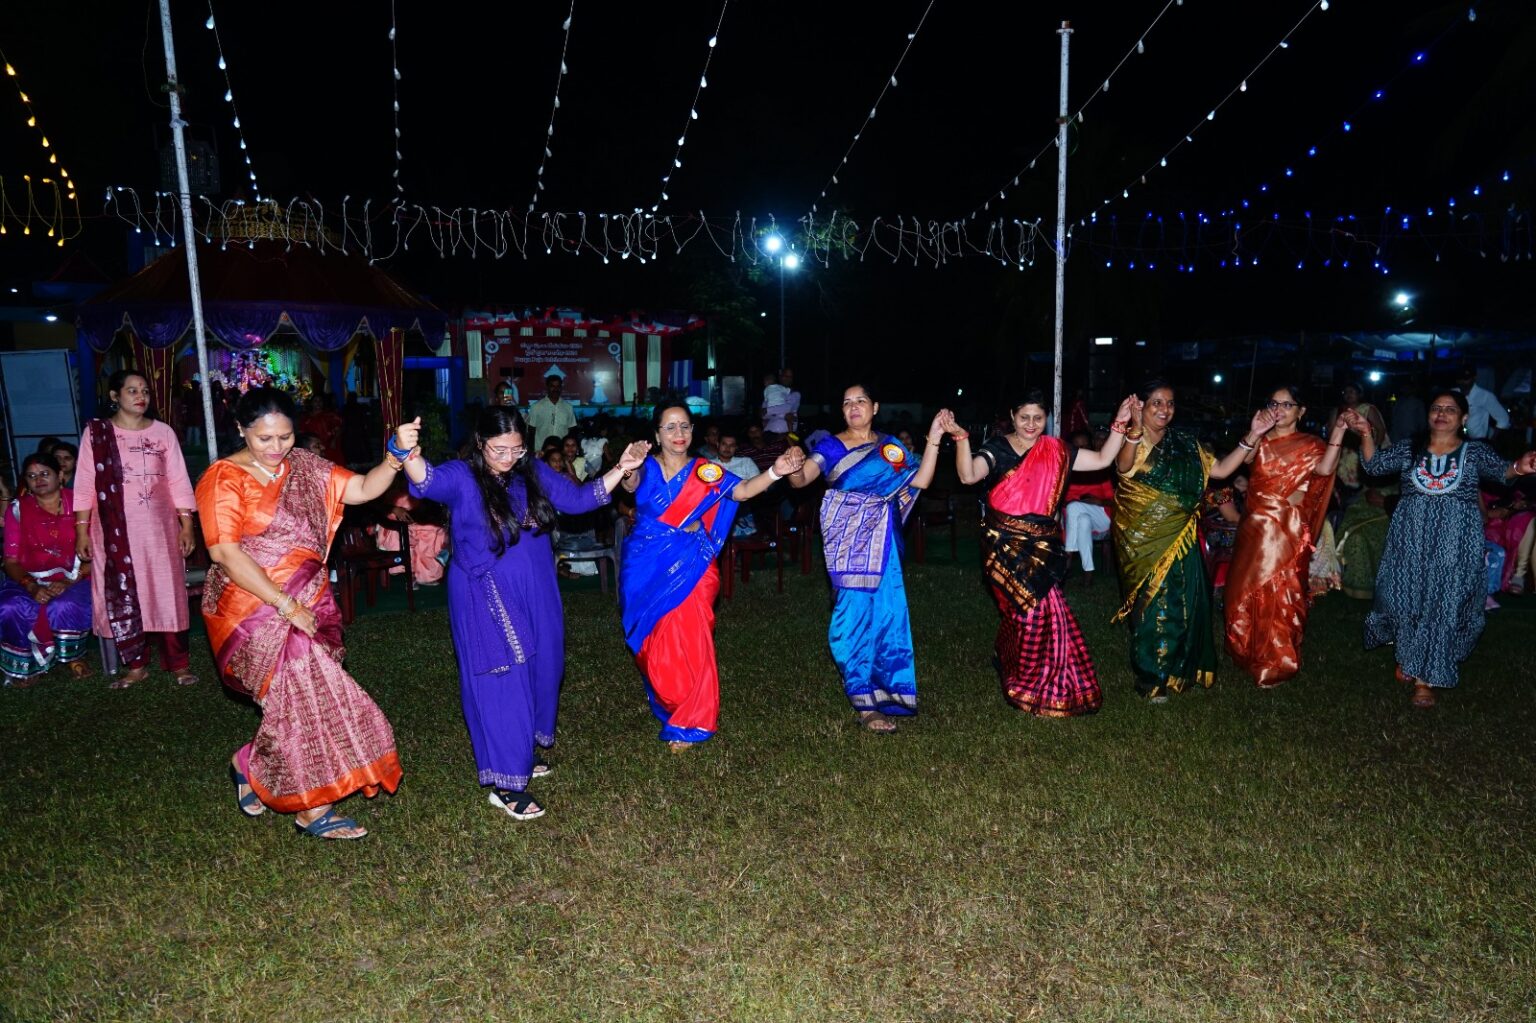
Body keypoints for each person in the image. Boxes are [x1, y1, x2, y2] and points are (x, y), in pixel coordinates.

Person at [403, 409, 647, 817]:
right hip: (485, 590)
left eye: (517, 448)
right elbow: (426, 481)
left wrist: (622, 467)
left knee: (542, 669)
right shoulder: (463, 476)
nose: (509, 457)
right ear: (480, 443)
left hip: (536, 588)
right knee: (504, 677)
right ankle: (506, 783)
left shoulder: (530, 469)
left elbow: (579, 499)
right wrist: (406, 450)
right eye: (500, 449)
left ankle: (519, 750)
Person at [196, 387, 406, 839]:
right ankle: (312, 809)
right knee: (300, 697)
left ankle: (249, 762)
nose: (276, 449)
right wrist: (286, 605)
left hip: (306, 600)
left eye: (285, 437)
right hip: (250, 608)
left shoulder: (306, 467)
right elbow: (225, 553)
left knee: (304, 700)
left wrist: (395, 457)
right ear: (240, 430)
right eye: (264, 439)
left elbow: (364, 489)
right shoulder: (222, 478)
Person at [620, 404, 802, 750]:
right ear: (657, 432)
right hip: (645, 565)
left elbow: (743, 491)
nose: (678, 434)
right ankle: (674, 700)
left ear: (693, 430)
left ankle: (693, 717)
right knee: (653, 646)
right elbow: (630, 486)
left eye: (684, 426)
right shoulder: (643, 465)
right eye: (670, 427)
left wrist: (776, 472)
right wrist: (627, 465)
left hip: (693, 564)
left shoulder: (706, 472)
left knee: (693, 640)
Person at [948, 393, 1137, 716]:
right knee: (1023, 612)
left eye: (1038, 418)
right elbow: (968, 476)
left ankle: (1040, 679)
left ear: (1046, 418)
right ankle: (1022, 674)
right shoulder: (999, 448)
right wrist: (961, 437)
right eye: (1024, 418)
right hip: (1004, 546)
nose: (1031, 425)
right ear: (1012, 416)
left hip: (1044, 548)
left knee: (1043, 615)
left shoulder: (1057, 450)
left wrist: (1121, 419)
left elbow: (1104, 459)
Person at [1347, 393, 1536, 707]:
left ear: (1463, 419)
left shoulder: (1473, 452)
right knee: (1407, 599)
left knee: (1441, 604)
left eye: (1451, 409)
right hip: (1410, 539)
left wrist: (1521, 465)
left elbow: (1502, 470)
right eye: (1436, 407)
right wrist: (1366, 432)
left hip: (1455, 542)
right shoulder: (1411, 449)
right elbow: (1375, 466)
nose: (1442, 413)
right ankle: (1411, 657)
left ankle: (1424, 679)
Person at [789, 385, 942, 732]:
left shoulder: (889, 447)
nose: (853, 407)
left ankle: (888, 692)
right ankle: (864, 702)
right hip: (850, 544)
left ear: (875, 407)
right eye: (847, 402)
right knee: (852, 619)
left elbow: (921, 479)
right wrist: (793, 466)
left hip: (884, 543)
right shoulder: (831, 445)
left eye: (860, 401)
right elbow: (802, 480)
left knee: (888, 615)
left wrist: (933, 439)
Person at [1111, 379, 1245, 702]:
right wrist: (1132, 431)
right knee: (1154, 606)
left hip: (1182, 537)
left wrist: (1251, 436)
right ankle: (1153, 677)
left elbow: (1222, 470)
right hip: (1144, 541)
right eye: (1156, 402)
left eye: (1169, 403)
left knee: (1184, 601)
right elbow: (1123, 466)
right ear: (1141, 406)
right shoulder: (1134, 440)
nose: (1164, 409)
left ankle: (1179, 669)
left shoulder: (1185, 443)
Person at [73, 370, 199, 689]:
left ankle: (179, 663)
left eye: (144, 390)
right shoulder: (97, 434)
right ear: (115, 396)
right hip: (115, 533)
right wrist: (83, 531)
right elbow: (86, 483)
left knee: (167, 593)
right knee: (126, 593)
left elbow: (179, 481)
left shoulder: (163, 433)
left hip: (160, 531)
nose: (140, 396)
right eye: (131, 390)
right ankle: (136, 664)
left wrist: (187, 525)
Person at [1223, 386, 1350, 688]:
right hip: (1255, 529)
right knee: (1242, 591)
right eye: (1274, 403)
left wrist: (1339, 432)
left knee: (1283, 592)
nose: (1279, 409)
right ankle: (1247, 649)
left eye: (1287, 404)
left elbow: (1324, 469)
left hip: (1288, 530)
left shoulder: (1311, 444)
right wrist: (1255, 432)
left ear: (1301, 411)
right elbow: (1244, 459)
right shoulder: (1261, 440)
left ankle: (1276, 660)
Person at [1, 454, 93, 687]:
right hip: (28, 578)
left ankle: (74, 657)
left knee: (65, 604)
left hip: (78, 575)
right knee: (9, 606)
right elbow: (10, 560)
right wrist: (31, 586)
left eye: (45, 473)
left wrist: (69, 582)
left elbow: (99, 553)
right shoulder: (18, 510)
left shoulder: (81, 504)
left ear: (60, 476)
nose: (38, 479)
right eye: (31, 476)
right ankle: (26, 666)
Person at [1061, 429, 1114, 585]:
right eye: (1077, 446)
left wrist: (1100, 502)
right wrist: (1068, 502)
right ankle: (1088, 573)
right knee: (1081, 518)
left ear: (1090, 446)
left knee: (1073, 507)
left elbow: (1114, 500)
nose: (1081, 449)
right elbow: (1058, 500)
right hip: (1075, 520)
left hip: (1102, 517)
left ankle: (1069, 555)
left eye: (1085, 445)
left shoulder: (1099, 469)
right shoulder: (1066, 472)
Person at [1327, 383, 1390, 507]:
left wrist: (1373, 450)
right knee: (1341, 485)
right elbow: (1330, 434)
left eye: (1352, 391)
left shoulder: (1368, 409)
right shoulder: (1338, 410)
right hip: (1342, 453)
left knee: (1361, 485)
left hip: (1362, 452)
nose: (1348, 394)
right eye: (1346, 392)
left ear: (1359, 394)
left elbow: (1381, 429)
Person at [1200, 469, 1249, 597]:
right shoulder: (1220, 490)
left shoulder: (1214, 487)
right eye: (1237, 480)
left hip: (1216, 532)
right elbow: (1232, 517)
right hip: (1217, 535)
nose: (1240, 485)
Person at [711, 430, 761, 537]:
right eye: (724, 444)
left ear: (736, 448)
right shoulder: (708, 465)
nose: (727, 448)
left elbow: (758, 486)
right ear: (718, 445)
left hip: (741, 509)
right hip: (714, 510)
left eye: (732, 445)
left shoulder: (746, 462)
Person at [1456, 366, 1509, 441]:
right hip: (1457, 440)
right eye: (1459, 378)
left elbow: (1503, 419)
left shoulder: (1485, 396)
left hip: (1478, 441)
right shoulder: (1453, 393)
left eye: (1466, 379)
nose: (1462, 381)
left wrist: (1491, 441)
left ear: (1474, 378)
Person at [527, 373, 576, 451]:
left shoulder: (568, 407)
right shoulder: (536, 407)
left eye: (558, 386)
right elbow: (531, 431)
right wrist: (531, 452)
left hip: (561, 451)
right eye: (552, 386)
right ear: (547, 387)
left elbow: (572, 430)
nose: (555, 389)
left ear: (561, 388)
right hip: (541, 451)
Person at [299, 393, 345, 464]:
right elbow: (302, 433)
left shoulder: (330, 415)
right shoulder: (306, 417)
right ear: (311, 403)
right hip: (314, 447)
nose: (318, 403)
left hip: (329, 445)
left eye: (320, 401)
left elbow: (339, 428)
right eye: (315, 401)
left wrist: (334, 440)